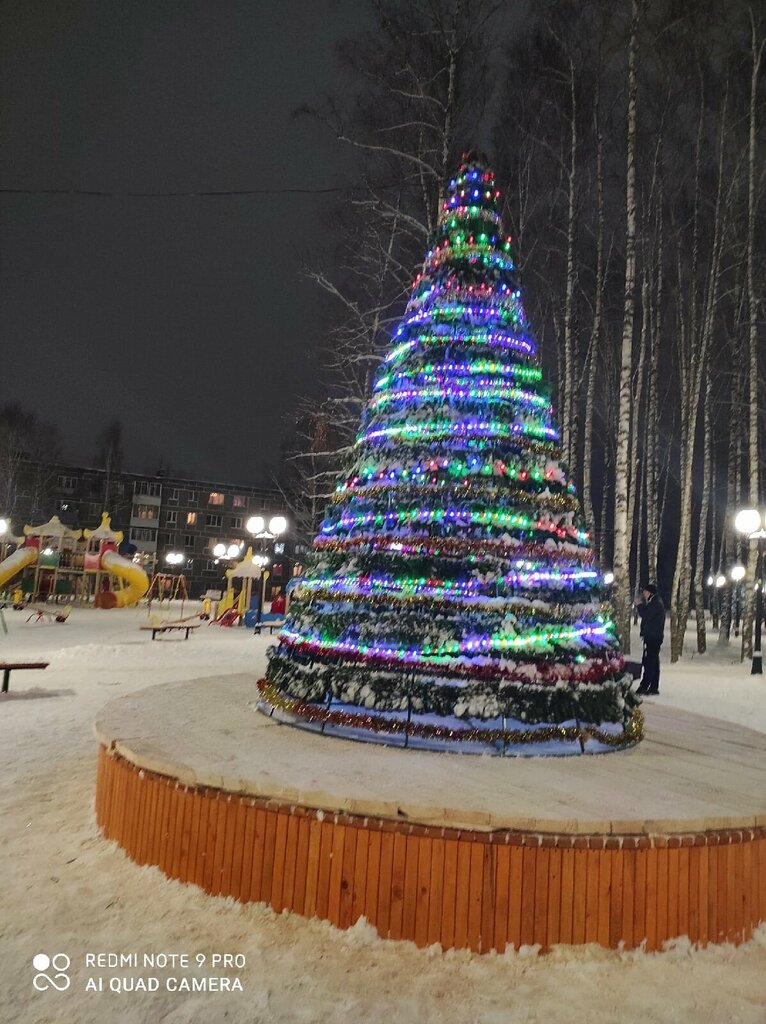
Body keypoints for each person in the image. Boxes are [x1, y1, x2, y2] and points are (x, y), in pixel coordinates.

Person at [635, 583, 665, 695]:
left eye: (645, 592)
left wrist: (639, 605)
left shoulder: (655, 603)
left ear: (650, 593)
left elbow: (646, 615)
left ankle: (644, 686)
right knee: (654, 662)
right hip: (654, 636)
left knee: (649, 662)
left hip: (652, 637)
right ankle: (653, 686)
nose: (644, 594)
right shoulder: (656, 602)